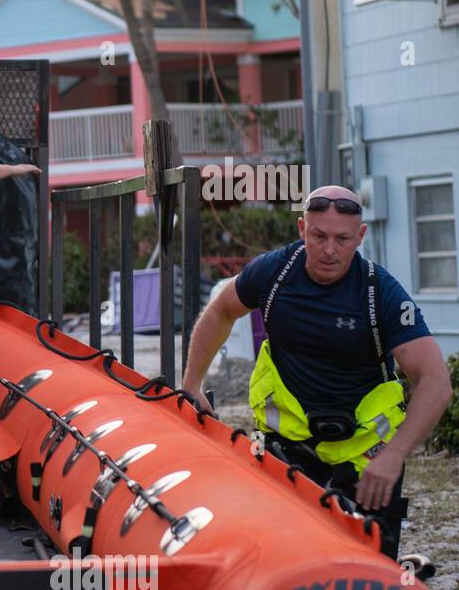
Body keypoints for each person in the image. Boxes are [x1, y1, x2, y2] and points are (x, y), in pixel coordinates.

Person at [181, 185, 453, 560]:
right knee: (286, 561)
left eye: (342, 238)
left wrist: (394, 456)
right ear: (301, 229)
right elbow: (221, 311)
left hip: (366, 457)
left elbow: (436, 383)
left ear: (361, 236)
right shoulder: (273, 273)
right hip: (287, 446)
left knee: (370, 569)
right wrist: (192, 383)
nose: (329, 249)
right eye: (318, 235)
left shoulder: (381, 293)